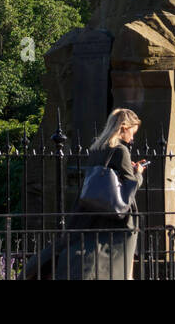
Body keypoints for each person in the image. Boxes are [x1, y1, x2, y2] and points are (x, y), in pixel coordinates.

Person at [53, 108, 149, 280]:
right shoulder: (120, 150)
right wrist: (139, 172)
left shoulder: (97, 148)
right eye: (132, 132)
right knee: (123, 263)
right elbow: (130, 183)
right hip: (116, 217)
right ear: (124, 127)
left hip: (91, 211)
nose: (132, 138)